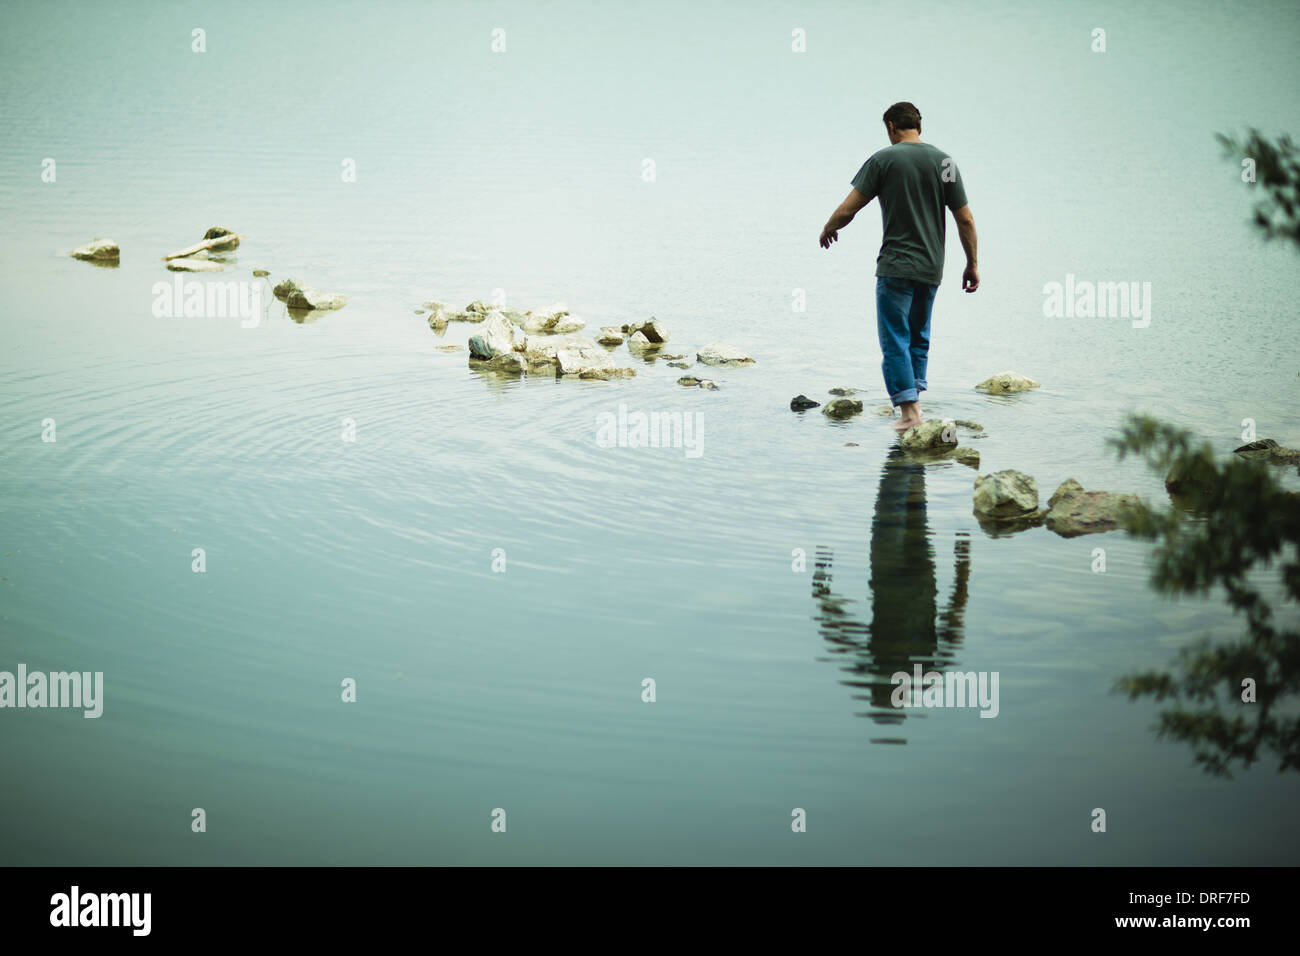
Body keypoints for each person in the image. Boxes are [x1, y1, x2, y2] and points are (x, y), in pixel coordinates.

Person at [819, 102, 979, 432]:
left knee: (895, 338)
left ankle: (909, 413)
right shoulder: (945, 162)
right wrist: (972, 264)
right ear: (918, 126)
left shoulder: (884, 160)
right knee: (919, 336)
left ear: (891, 126)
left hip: (895, 266)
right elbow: (964, 218)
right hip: (932, 267)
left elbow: (849, 209)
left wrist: (829, 227)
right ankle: (914, 403)